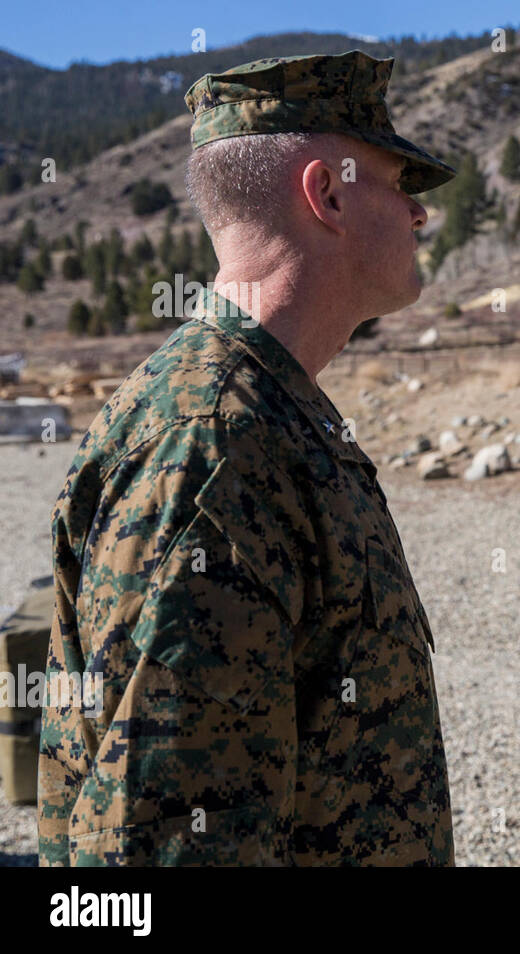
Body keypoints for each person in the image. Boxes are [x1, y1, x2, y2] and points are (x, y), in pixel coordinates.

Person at [39, 51, 458, 865]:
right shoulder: (212, 445)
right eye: (399, 181)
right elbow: (154, 848)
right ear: (327, 194)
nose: (418, 213)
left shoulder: (262, 410)